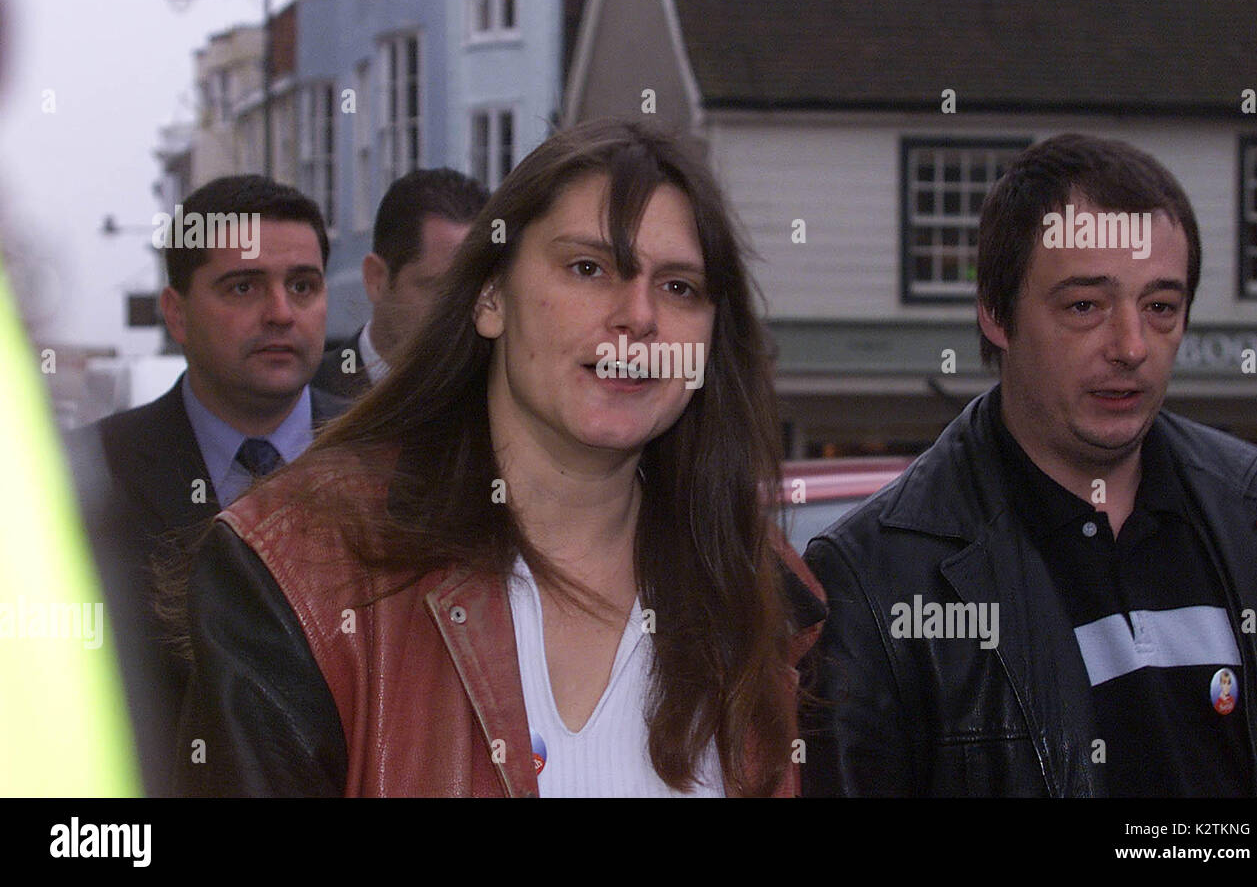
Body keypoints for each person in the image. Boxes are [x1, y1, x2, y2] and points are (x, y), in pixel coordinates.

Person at [174, 119, 826, 797]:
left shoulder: (763, 592)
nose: (639, 316)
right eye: (588, 268)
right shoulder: (304, 566)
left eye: (680, 287)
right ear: (490, 298)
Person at [804, 133, 1257, 796]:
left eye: (1160, 307)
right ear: (995, 312)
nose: (1130, 347)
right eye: (1084, 306)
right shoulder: (874, 578)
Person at [69, 175, 349, 795]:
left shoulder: (394, 458)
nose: (281, 311)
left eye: (302, 285)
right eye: (244, 286)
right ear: (177, 314)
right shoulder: (92, 478)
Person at [313, 168, 488, 398]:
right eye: (440, 290)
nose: (463, 311)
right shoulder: (304, 397)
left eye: (477, 290)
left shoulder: (498, 401)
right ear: (376, 279)